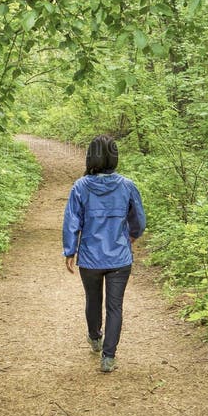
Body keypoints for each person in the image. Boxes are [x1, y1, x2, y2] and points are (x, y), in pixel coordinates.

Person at [62, 135, 146, 372]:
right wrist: (133, 235)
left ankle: (95, 337)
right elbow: (138, 217)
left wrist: (70, 250)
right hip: (119, 256)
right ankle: (109, 357)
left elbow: (71, 221)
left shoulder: (80, 186)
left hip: (90, 258)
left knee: (93, 299)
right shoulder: (127, 185)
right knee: (115, 306)